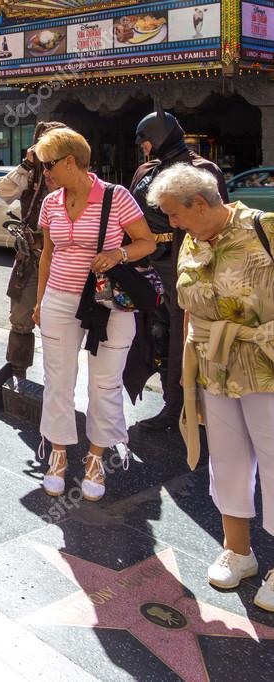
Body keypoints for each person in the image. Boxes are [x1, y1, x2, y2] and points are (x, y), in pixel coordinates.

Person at [145, 163, 274, 611]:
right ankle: (239, 552)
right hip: (213, 369)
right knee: (227, 461)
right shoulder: (189, 242)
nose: (171, 224)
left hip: (266, 367)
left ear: (199, 203)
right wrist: (187, 373)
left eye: (174, 215)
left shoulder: (265, 228)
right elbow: (188, 309)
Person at [32, 127, 155, 502]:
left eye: (49, 165)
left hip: (108, 303)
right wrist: (40, 301)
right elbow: (47, 256)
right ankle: (56, 455)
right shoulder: (51, 202)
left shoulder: (117, 198)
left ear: (71, 161)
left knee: (105, 383)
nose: (45, 173)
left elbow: (146, 242)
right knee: (57, 379)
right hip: (59, 300)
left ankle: (97, 458)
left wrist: (118, 254)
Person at [129, 109, 228, 432]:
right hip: (147, 264)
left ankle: (181, 407)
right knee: (154, 334)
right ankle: (170, 402)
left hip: (181, 265)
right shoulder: (146, 170)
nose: (143, 146)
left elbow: (215, 223)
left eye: (145, 140)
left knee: (182, 335)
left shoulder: (201, 170)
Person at [0, 121, 67, 407]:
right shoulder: (32, 169)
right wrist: (27, 163)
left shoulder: (72, 168)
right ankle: (17, 373)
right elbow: (4, 192)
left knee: (62, 322)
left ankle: (60, 383)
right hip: (32, 255)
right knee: (21, 317)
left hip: (64, 258)